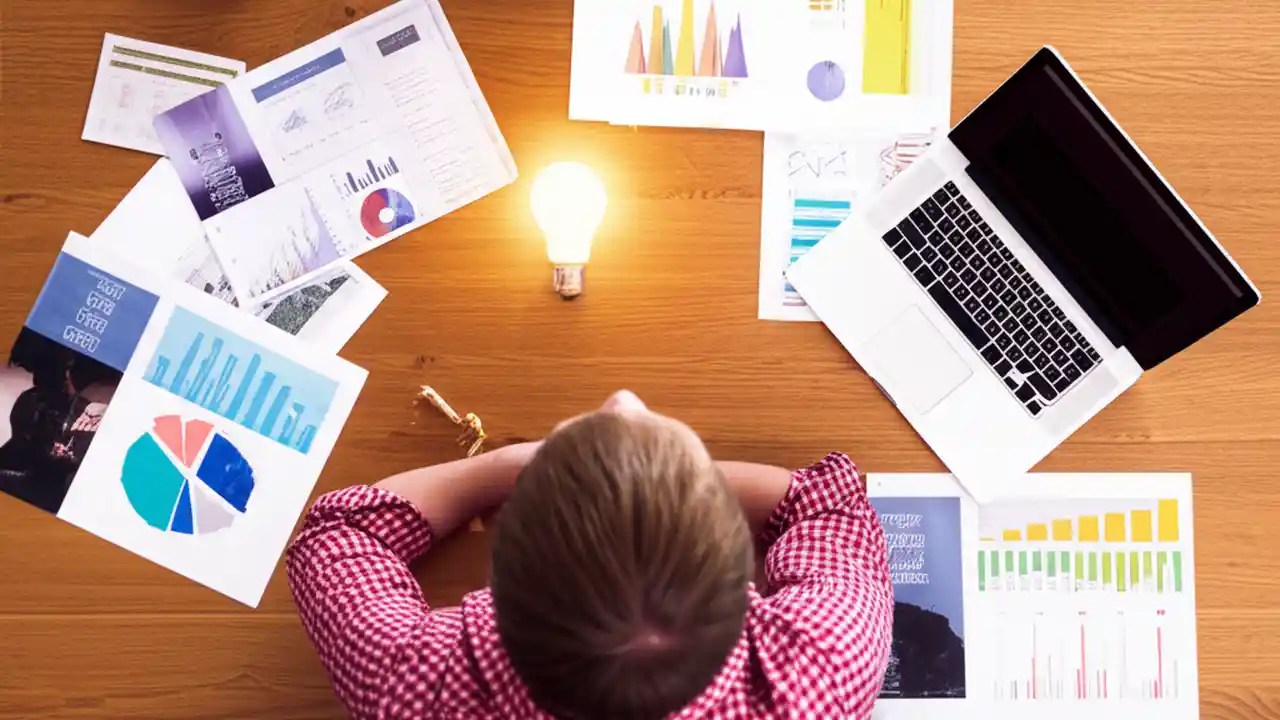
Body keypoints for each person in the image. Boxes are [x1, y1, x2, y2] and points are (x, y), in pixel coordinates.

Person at [287, 390, 892, 719]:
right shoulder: (823, 671)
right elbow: (824, 504)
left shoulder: (418, 683)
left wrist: (510, 465)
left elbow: (339, 533)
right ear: (740, 583)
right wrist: (671, 478)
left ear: (498, 578)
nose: (624, 399)